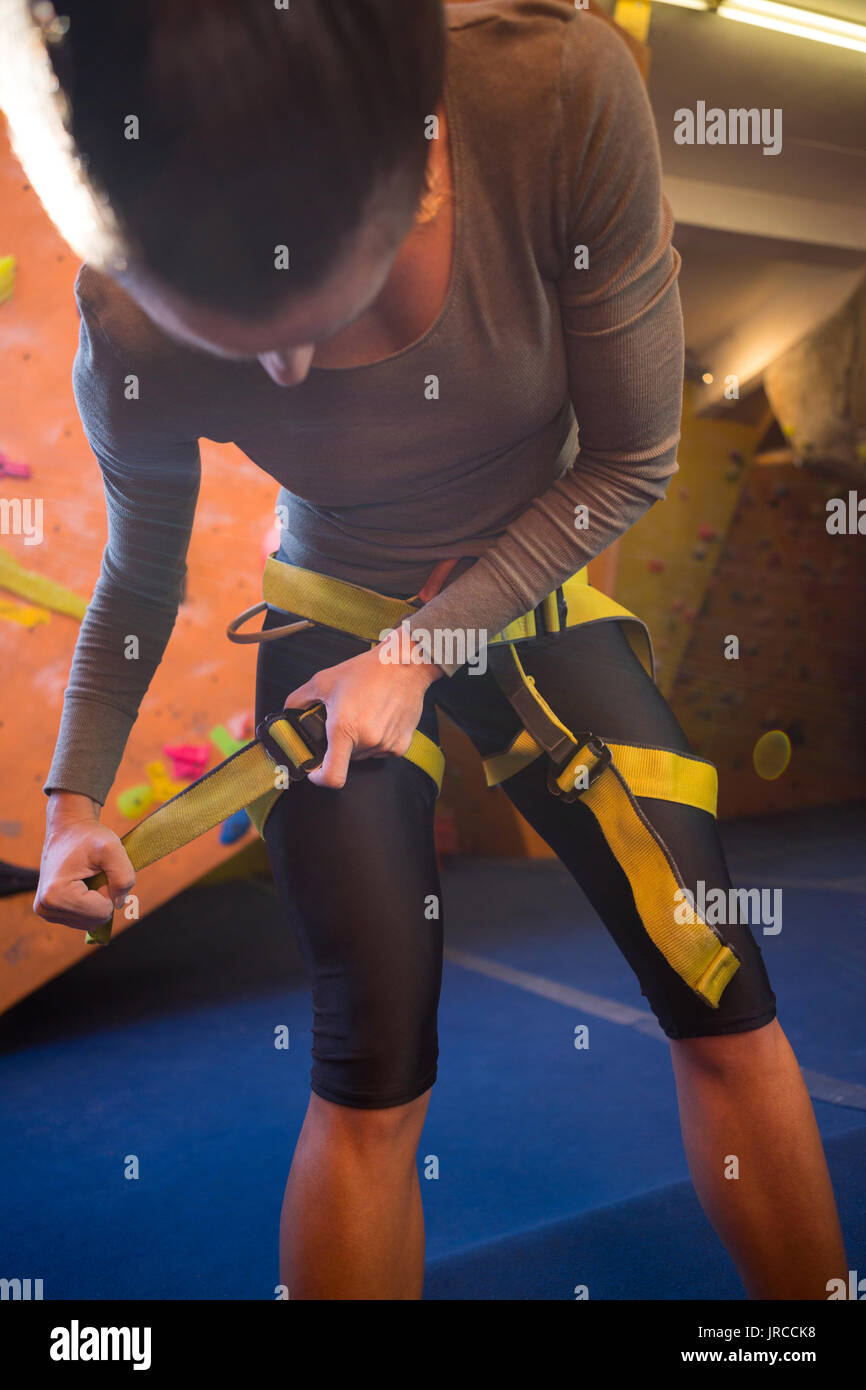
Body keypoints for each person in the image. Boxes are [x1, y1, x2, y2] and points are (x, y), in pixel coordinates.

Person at [7, 0, 845, 1299]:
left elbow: (631, 458)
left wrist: (414, 652)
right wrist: (72, 809)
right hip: (328, 608)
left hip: (534, 585)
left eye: (312, 309)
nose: (287, 377)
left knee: (724, 1005)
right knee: (369, 1079)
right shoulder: (120, 326)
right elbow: (141, 571)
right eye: (230, 333)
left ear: (426, 172)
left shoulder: (554, 96)